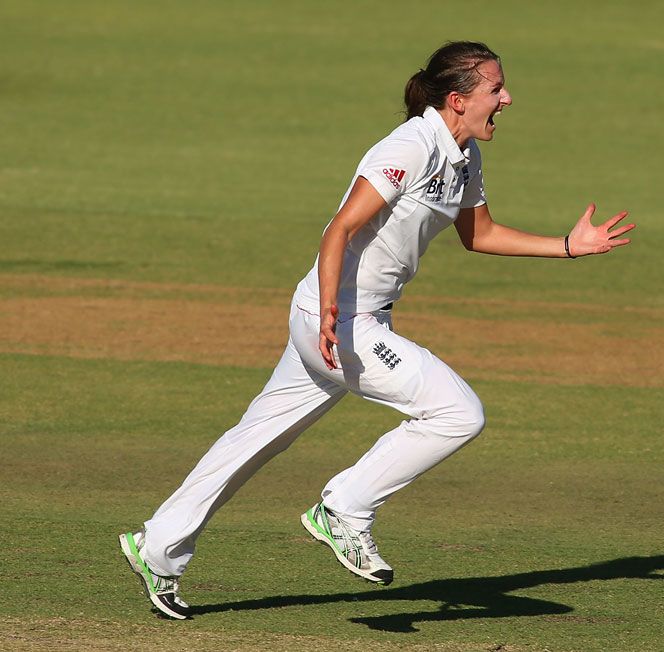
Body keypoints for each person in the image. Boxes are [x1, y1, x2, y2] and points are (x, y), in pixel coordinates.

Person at [119, 41, 635, 620]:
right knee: (457, 412)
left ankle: (158, 545)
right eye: (496, 89)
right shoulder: (408, 147)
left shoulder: (464, 155)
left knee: (256, 438)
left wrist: (567, 247)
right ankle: (345, 505)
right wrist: (333, 314)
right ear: (458, 99)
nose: (507, 98)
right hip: (338, 320)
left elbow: (479, 235)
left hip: (346, 318)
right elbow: (340, 229)